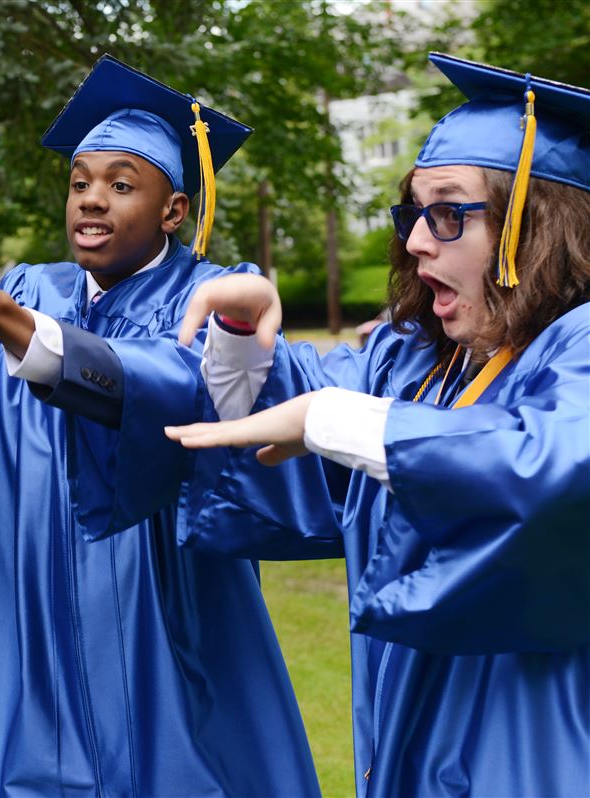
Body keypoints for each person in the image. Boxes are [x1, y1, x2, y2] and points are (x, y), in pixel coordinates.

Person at [0, 56, 320, 796]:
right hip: (39, 629)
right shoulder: (29, 290)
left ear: (174, 211)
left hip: (170, 627)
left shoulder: (215, 297)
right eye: (80, 181)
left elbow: (179, 389)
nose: (91, 198)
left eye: (121, 184)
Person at [160, 54, 590, 796]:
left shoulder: (579, 345)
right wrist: (240, 336)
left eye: (449, 213)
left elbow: (550, 470)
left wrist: (332, 417)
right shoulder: (419, 364)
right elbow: (304, 412)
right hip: (407, 743)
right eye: (414, 214)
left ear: (536, 225)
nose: (417, 240)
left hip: (534, 750)